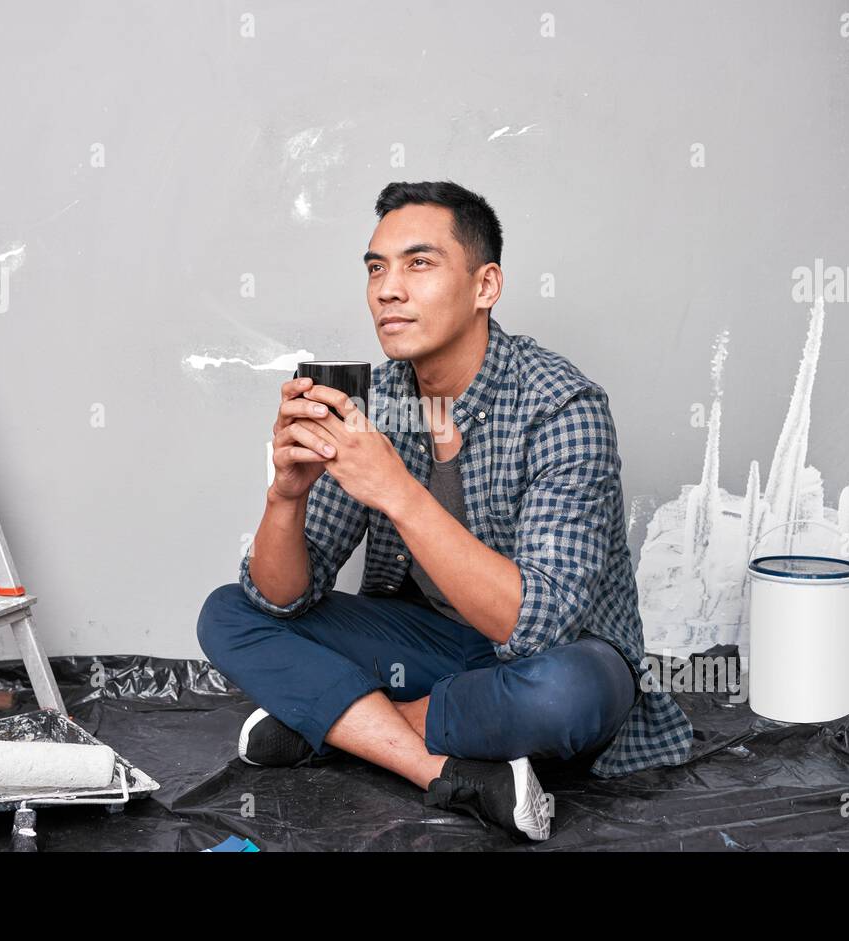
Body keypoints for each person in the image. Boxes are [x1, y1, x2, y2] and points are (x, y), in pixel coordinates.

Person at [198, 180, 693, 841]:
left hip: (549, 660)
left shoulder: (562, 406)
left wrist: (398, 489)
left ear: (485, 286)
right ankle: (446, 769)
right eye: (377, 268)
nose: (388, 289)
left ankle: (343, 723)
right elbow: (287, 594)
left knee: (568, 694)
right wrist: (285, 495)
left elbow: (534, 624)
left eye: (419, 263)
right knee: (229, 611)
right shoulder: (378, 399)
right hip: (434, 651)